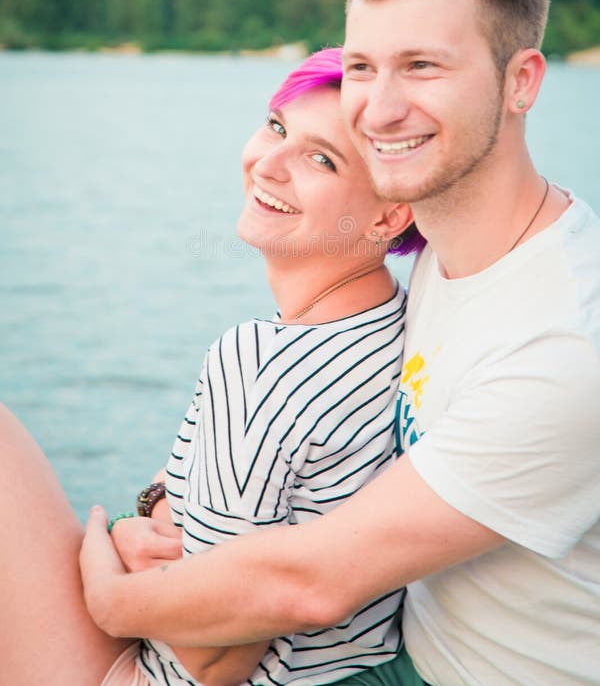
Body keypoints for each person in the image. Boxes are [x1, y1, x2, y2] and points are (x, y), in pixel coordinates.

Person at [81, 0, 600, 686]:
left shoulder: (564, 341)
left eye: (423, 66)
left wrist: (112, 593)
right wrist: (160, 508)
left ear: (521, 80)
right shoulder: (432, 259)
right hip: (382, 649)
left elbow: (308, 583)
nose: (379, 108)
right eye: (363, 66)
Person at [0, 48, 421, 686]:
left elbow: (216, 659)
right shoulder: (402, 324)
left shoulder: (258, 363)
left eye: (320, 158)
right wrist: (159, 505)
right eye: (277, 127)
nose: (267, 163)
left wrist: (103, 553)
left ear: (390, 216)